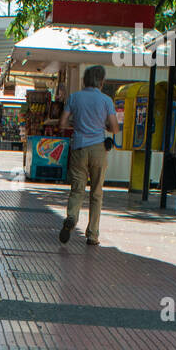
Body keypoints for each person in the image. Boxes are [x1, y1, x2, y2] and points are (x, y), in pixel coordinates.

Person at [58, 64, 119, 247]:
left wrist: (76, 125)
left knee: (77, 189)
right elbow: (115, 127)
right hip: (98, 149)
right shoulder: (106, 100)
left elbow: (62, 123)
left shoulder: (74, 97)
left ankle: (71, 217)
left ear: (84, 80)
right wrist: (104, 127)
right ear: (101, 81)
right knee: (96, 193)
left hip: (78, 147)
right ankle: (92, 234)